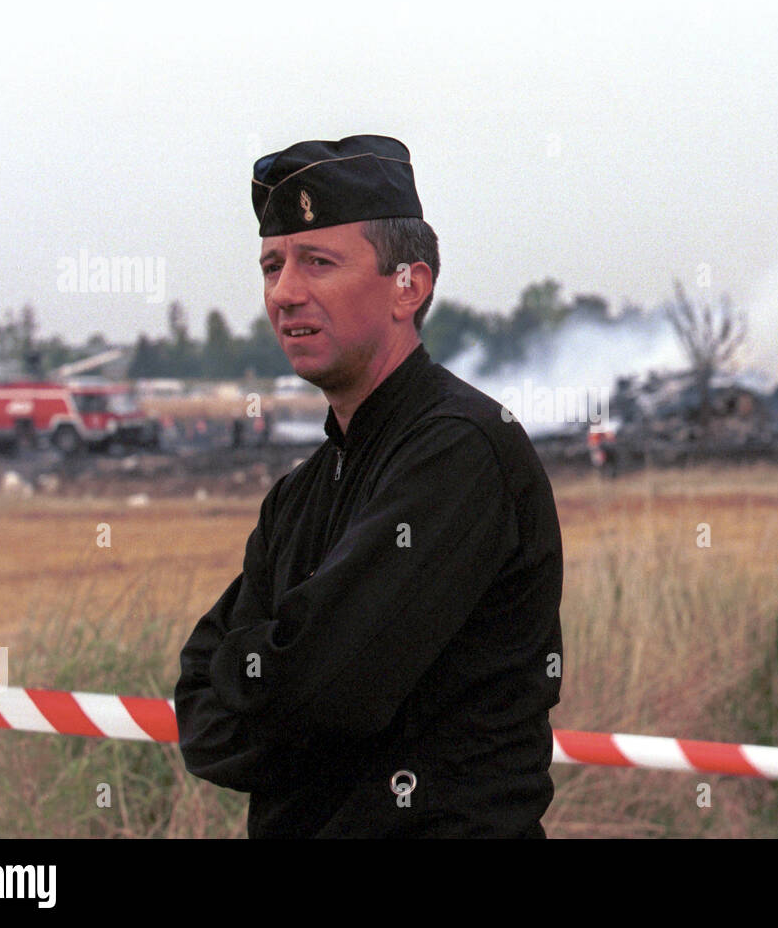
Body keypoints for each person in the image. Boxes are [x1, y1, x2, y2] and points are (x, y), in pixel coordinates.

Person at [174, 135, 564, 838]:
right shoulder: (298, 495)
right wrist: (285, 679)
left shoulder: (461, 452)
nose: (285, 291)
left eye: (318, 262)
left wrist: (277, 679)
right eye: (272, 265)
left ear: (408, 286)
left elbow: (321, 693)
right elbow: (199, 713)